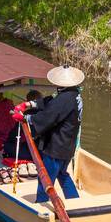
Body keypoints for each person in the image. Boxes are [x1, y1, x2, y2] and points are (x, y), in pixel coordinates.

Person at [20, 68, 84, 202]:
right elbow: (51, 101)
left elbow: (47, 116)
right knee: (63, 174)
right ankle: (76, 202)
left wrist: (26, 118)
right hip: (68, 146)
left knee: (45, 178)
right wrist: (29, 104)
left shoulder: (65, 98)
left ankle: (42, 202)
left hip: (57, 148)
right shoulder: (74, 94)